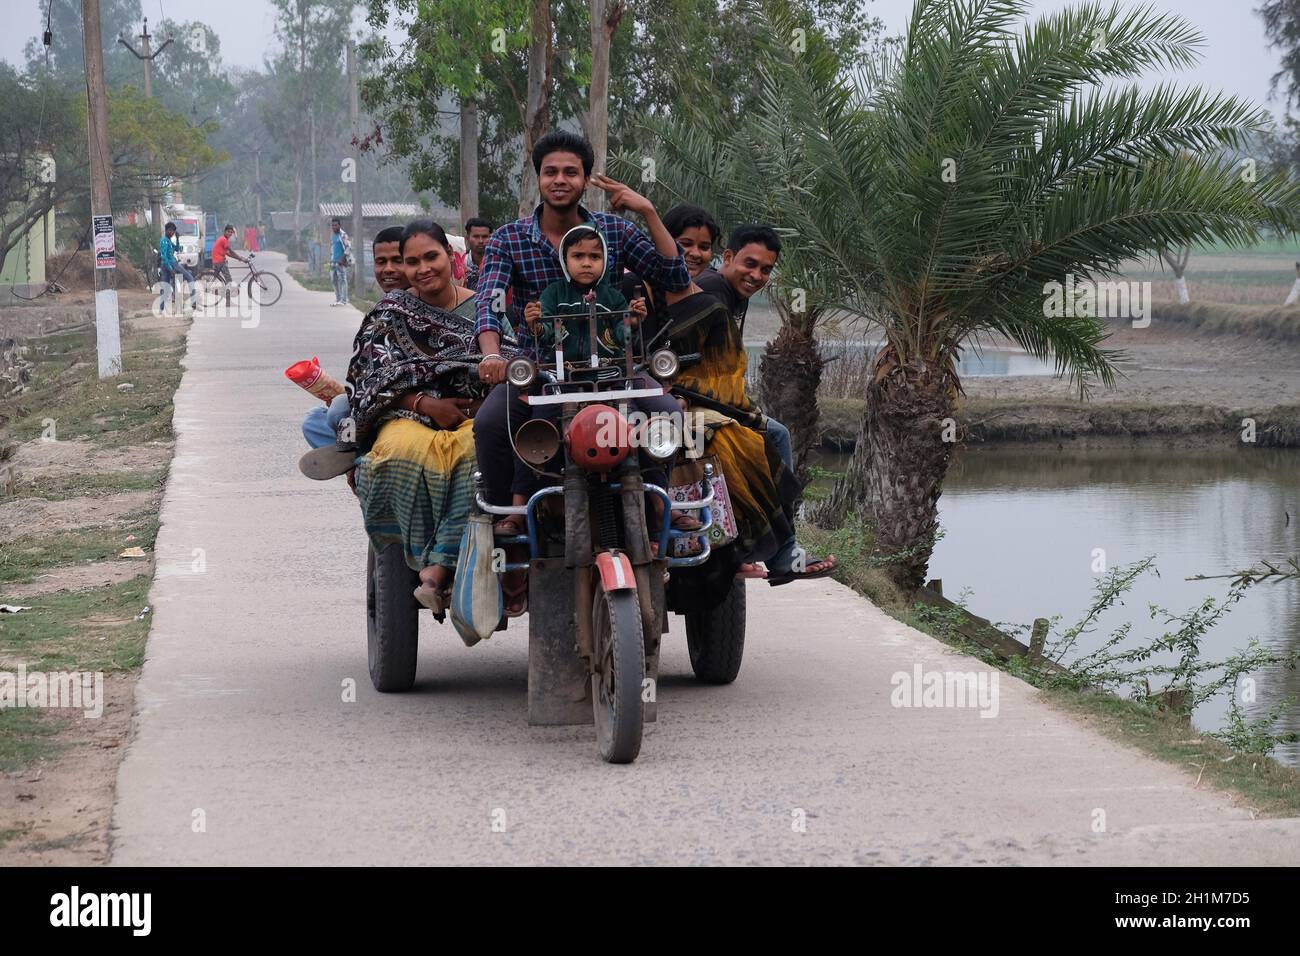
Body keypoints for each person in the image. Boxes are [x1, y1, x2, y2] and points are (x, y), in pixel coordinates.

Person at [471, 129, 692, 511]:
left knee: (668, 413)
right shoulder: (509, 239)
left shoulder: (615, 230)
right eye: (550, 171)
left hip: (615, 366)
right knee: (490, 423)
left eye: (570, 172)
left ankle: (659, 507)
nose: (560, 180)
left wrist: (648, 211)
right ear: (538, 178)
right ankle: (505, 516)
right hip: (541, 368)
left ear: (585, 179)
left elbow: (674, 278)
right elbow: (489, 302)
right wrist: (492, 355)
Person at [344, 219, 516, 613]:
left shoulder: (486, 309)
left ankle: (439, 567)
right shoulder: (391, 312)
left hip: (477, 416)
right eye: (412, 262)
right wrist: (426, 405)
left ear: (450, 256)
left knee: (477, 459)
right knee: (392, 457)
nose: (423, 269)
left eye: (431, 257)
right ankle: (422, 557)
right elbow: (370, 380)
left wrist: (473, 407)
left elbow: (511, 364)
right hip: (408, 415)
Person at [496, 223, 691, 541]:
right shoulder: (553, 294)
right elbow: (547, 336)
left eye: (595, 256)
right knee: (535, 431)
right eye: (578, 256)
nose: (587, 262)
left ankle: (660, 501)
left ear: (605, 262)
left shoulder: (614, 297)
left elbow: (618, 339)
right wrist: (535, 323)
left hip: (616, 377)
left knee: (666, 414)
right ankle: (518, 511)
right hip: (563, 381)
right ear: (564, 260)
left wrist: (631, 321)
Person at [677, 222, 836, 584]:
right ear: (728, 257)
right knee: (774, 437)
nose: (756, 275)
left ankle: (766, 546)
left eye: (766, 269)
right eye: (750, 264)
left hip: (707, 399)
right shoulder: (714, 290)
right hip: (692, 399)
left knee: (771, 435)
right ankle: (782, 551)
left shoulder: (731, 294)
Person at [302, 226, 410, 450]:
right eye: (381, 262)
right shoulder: (379, 312)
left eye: (397, 261)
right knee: (314, 420)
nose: (388, 269)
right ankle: (353, 458)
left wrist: (360, 398)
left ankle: (355, 460)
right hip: (370, 401)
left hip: (400, 406)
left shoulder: (420, 308)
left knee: (340, 412)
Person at [159, 221, 197, 310]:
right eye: (171, 231)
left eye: (173, 231)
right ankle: (193, 301)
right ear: (167, 230)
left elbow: (177, 249)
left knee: (165, 287)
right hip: (171, 264)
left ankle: (161, 309)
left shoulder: (168, 240)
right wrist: (171, 268)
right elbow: (164, 257)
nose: (172, 233)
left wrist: (177, 238)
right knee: (190, 277)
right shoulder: (164, 241)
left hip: (166, 265)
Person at [462, 217, 492, 290]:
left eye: (485, 237)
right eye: (476, 236)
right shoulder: (460, 264)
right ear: (467, 238)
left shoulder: (497, 263)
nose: (481, 241)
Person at [329, 218, 350, 306]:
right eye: (333, 225)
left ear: (339, 225)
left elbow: (348, 247)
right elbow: (332, 248)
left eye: (336, 225)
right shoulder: (333, 235)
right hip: (333, 262)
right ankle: (338, 299)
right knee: (334, 280)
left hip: (341, 262)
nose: (334, 227)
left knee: (342, 280)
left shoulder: (343, 235)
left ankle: (344, 300)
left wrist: (343, 258)